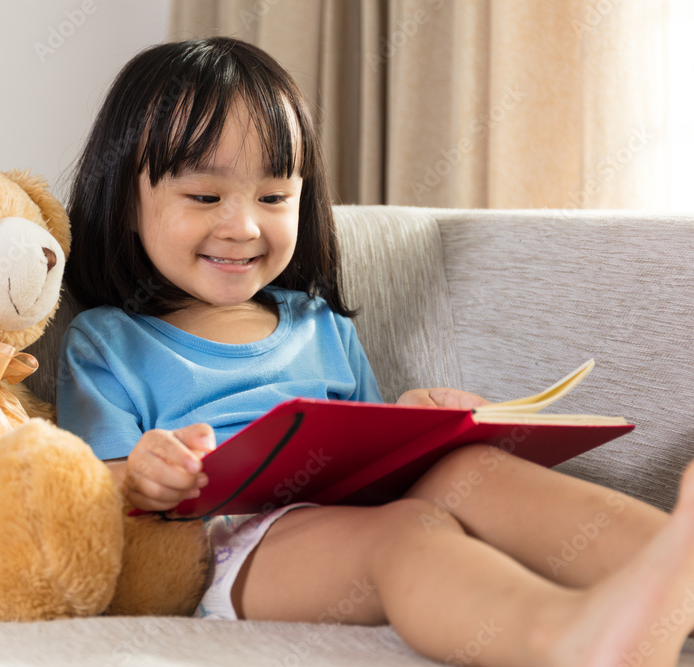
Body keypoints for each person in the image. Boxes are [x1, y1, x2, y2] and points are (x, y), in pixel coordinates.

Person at [57, 36, 694, 666]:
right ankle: (571, 641)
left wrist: (418, 423)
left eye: (275, 197)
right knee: (408, 536)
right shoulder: (109, 341)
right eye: (204, 197)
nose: (244, 226)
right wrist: (142, 475)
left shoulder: (317, 324)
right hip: (229, 550)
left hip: (353, 509)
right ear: (126, 204)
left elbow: (365, 452)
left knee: (470, 470)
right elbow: (83, 488)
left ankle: (673, 572)